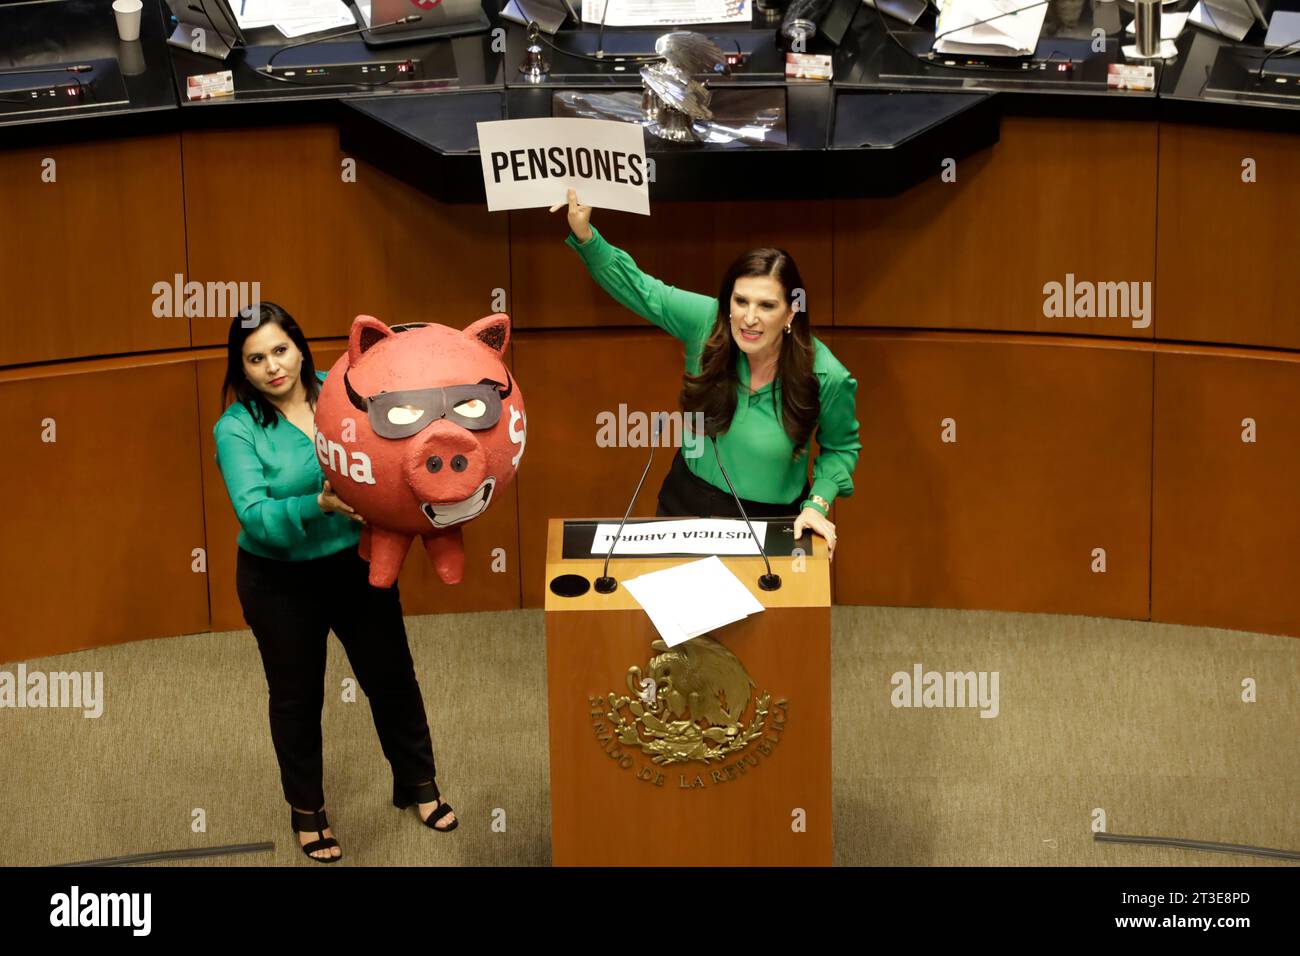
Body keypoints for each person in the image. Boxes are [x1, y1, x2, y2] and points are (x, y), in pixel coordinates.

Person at [213, 302, 457, 864]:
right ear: (241, 367)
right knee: (298, 700)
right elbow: (253, 515)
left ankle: (419, 785)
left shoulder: (341, 388)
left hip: (356, 563)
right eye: (255, 359)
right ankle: (308, 814)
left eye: (280, 350)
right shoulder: (237, 428)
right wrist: (317, 504)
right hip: (278, 582)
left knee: (392, 678)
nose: (272, 367)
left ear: (299, 346)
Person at [557, 189, 861, 558]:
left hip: (770, 519)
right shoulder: (707, 322)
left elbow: (840, 448)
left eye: (767, 305)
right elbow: (641, 288)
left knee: (756, 617)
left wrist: (818, 502)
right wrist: (587, 235)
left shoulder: (826, 374)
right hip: (687, 502)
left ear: (791, 312)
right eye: (741, 301)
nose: (749, 318)